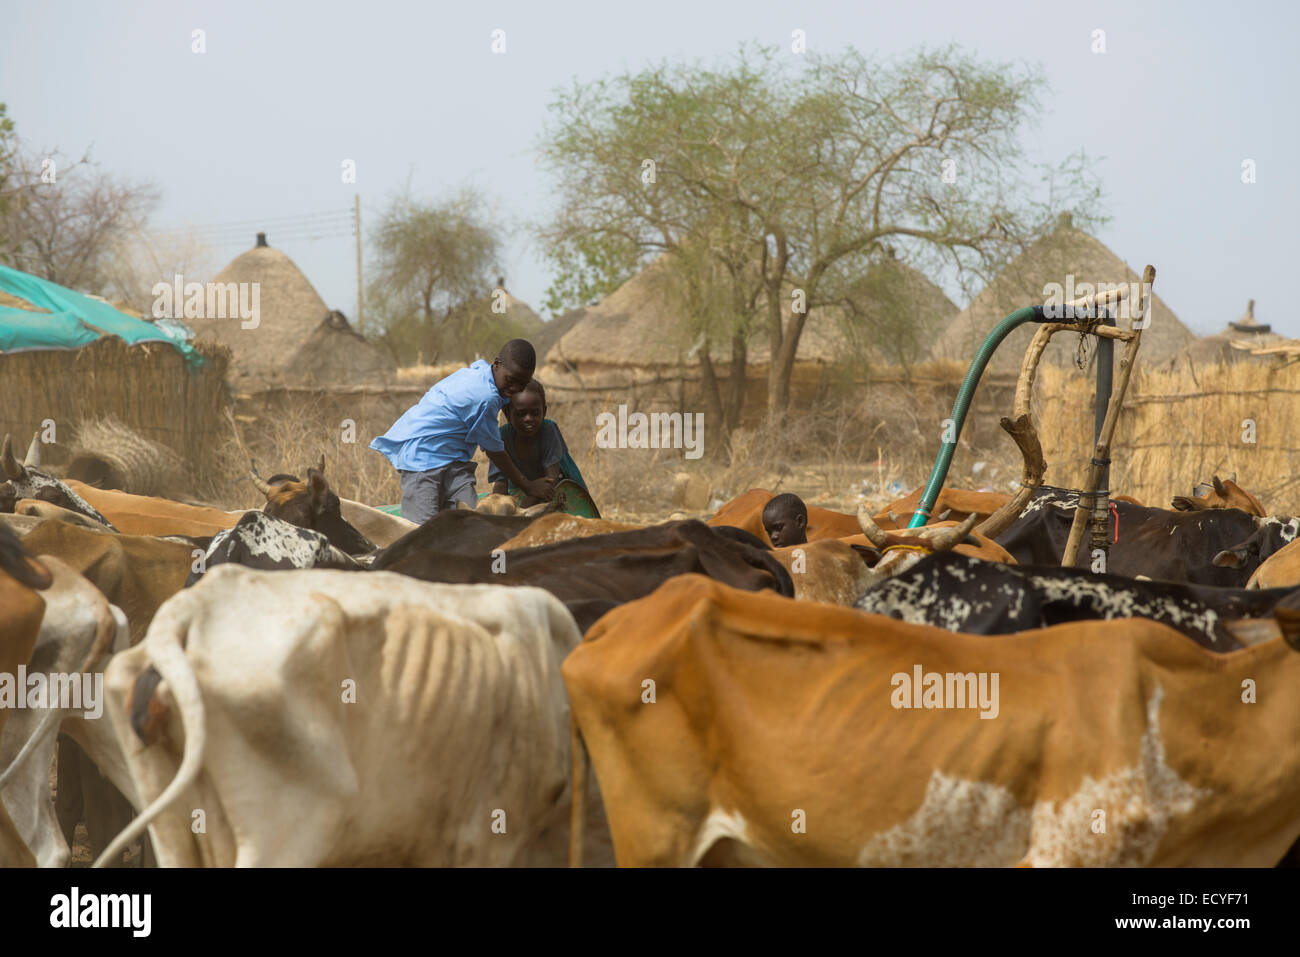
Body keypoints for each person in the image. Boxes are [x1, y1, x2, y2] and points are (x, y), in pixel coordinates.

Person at [369, 339, 553, 523]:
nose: (515, 389)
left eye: (522, 384)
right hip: (423, 458)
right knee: (421, 531)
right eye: (511, 380)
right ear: (497, 364)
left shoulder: (482, 372)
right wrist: (528, 486)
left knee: (470, 524)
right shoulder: (484, 397)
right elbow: (495, 451)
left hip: (454, 462)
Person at [488, 379, 587, 506]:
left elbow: (552, 479)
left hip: (559, 488)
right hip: (520, 490)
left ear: (544, 412)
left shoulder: (549, 430)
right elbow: (500, 483)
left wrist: (523, 509)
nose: (528, 419)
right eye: (521, 414)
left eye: (535, 413)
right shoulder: (501, 437)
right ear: (508, 414)